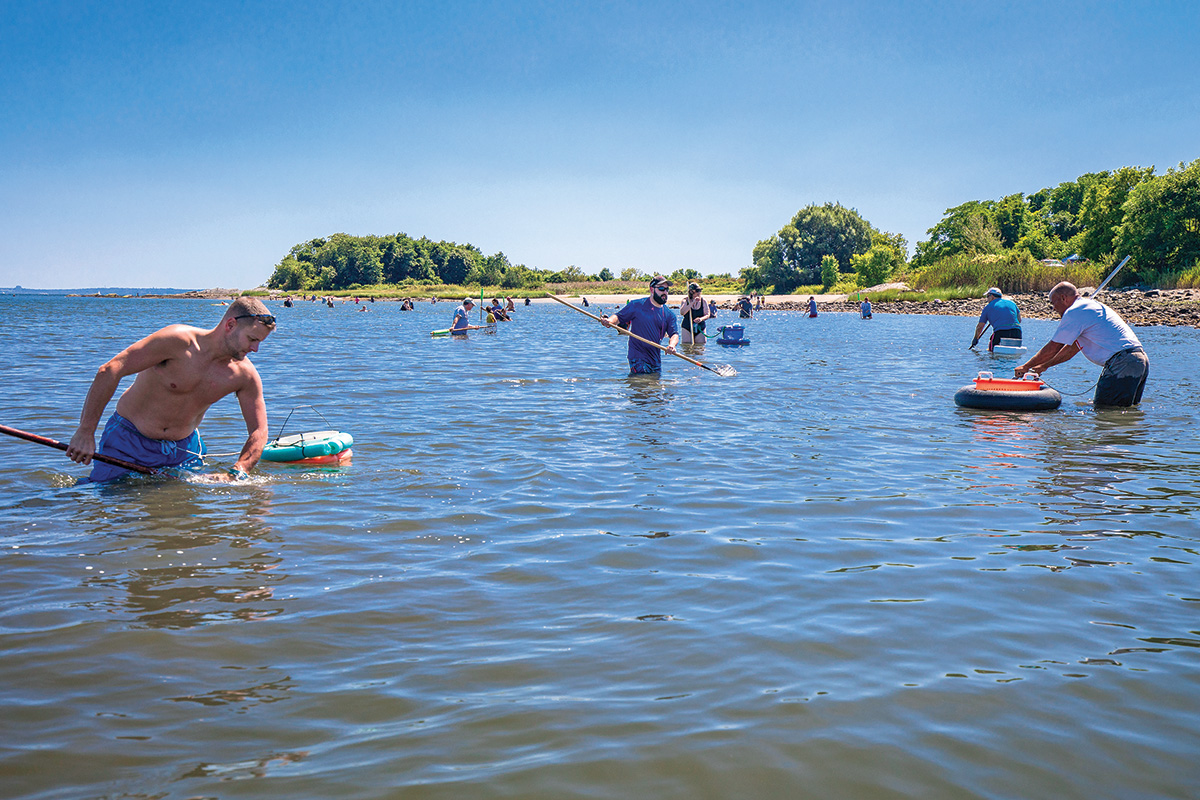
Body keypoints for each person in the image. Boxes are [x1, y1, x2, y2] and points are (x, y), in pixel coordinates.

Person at [66, 297, 275, 482]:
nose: (255, 349)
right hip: (128, 442)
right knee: (109, 502)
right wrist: (86, 431)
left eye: (260, 342)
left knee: (182, 511)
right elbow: (110, 369)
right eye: (252, 339)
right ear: (230, 325)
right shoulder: (178, 342)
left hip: (184, 452)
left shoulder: (245, 375)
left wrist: (239, 471)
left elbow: (259, 430)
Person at [1015, 281, 1149, 407]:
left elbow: (1054, 347)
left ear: (1063, 298)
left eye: (1053, 303)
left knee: (1105, 410)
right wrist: (1044, 366)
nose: (1054, 308)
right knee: (1126, 410)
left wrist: (1026, 366)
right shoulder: (1088, 307)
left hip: (1122, 363)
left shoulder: (1074, 312)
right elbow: (1071, 349)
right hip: (1138, 360)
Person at [601, 275, 679, 374]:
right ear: (652, 289)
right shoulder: (636, 305)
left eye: (667, 289)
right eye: (661, 289)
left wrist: (672, 345)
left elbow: (674, 334)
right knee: (640, 381)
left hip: (655, 359)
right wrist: (609, 321)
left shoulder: (669, 314)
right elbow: (618, 317)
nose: (665, 292)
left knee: (654, 383)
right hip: (637, 357)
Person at [972, 287, 1022, 351]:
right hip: (1017, 332)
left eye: (987, 296)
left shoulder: (988, 307)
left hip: (1001, 332)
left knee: (992, 351)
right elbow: (1019, 320)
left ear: (992, 296)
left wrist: (976, 338)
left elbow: (980, 326)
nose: (987, 299)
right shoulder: (1012, 303)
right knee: (1012, 352)